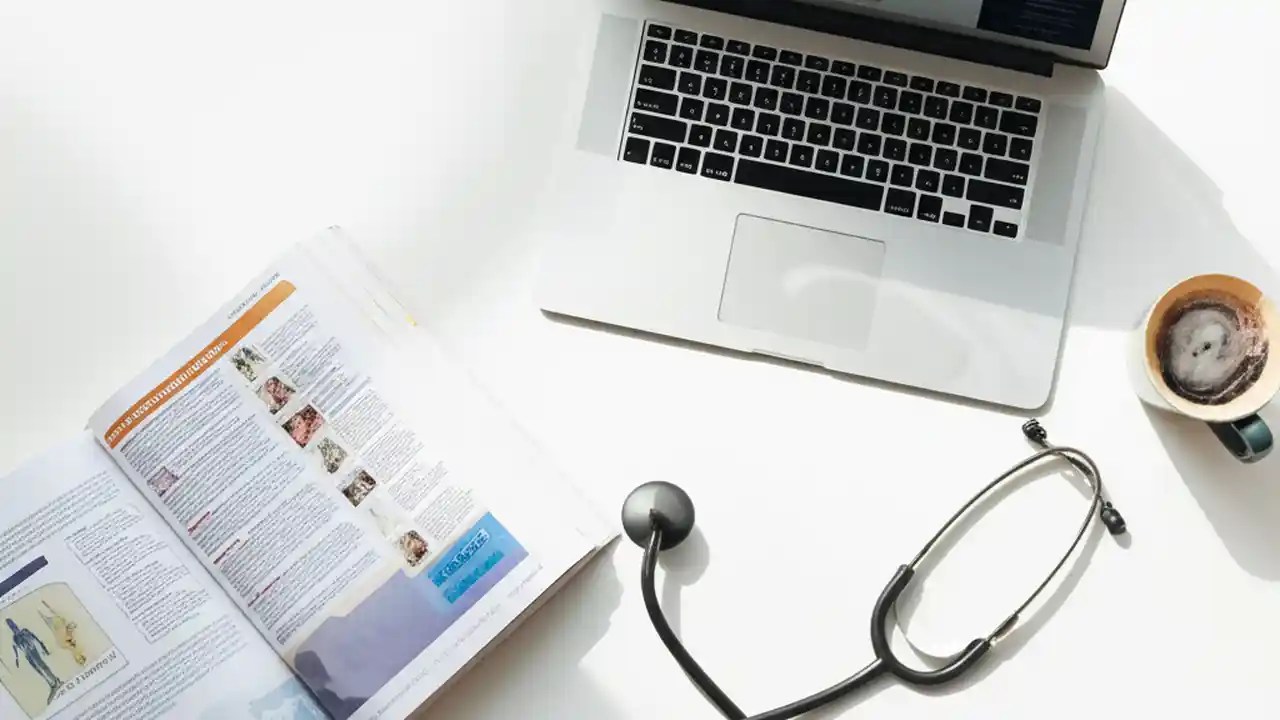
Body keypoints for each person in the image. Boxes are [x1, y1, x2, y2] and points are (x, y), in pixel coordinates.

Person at [8, 617, 62, 702]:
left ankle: (55, 681)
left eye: (13, 625)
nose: (13, 627)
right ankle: (52, 684)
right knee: (38, 670)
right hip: (28, 655)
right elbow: (15, 647)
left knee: (42, 666)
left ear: (15, 624)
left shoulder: (24, 631)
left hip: (33, 651)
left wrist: (44, 648)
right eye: (11, 626)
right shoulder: (15, 637)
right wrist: (17, 658)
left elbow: (35, 638)